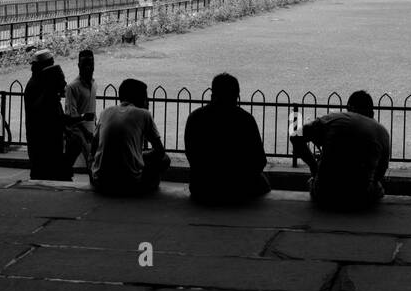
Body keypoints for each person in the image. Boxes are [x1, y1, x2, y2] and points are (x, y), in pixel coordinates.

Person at [290, 90, 392, 211]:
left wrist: (314, 166)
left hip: (325, 193)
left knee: (314, 181)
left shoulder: (333, 119)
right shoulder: (382, 132)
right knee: (377, 188)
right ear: (372, 112)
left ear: (348, 108)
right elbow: (380, 173)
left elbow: (295, 136)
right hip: (361, 197)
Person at [184, 73, 270, 204]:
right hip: (239, 188)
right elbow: (259, 160)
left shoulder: (195, 117)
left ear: (212, 93)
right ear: (236, 95)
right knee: (263, 182)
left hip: (202, 187)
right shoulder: (245, 119)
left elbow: (192, 155)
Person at [89, 78, 170, 196]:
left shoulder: (105, 112)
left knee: (91, 160)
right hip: (130, 182)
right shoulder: (144, 114)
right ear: (140, 99)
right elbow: (160, 151)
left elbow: (94, 148)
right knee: (165, 159)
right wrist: (141, 155)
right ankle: (147, 186)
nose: (148, 103)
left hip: (101, 181)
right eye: (146, 98)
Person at [24, 48, 71, 180]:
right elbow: (37, 110)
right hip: (40, 138)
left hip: (51, 136)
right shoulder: (34, 85)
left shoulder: (43, 81)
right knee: (40, 172)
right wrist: (50, 90)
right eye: (49, 63)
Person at [64, 48, 97, 169]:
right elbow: (72, 113)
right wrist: (86, 132)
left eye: (91, 63)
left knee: (91, 163)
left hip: (90, 130)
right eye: (85, 64)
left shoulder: (94, 84)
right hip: (78, 133)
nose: (88, 67)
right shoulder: (72, 87)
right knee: (88, 163)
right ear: (79, 65)